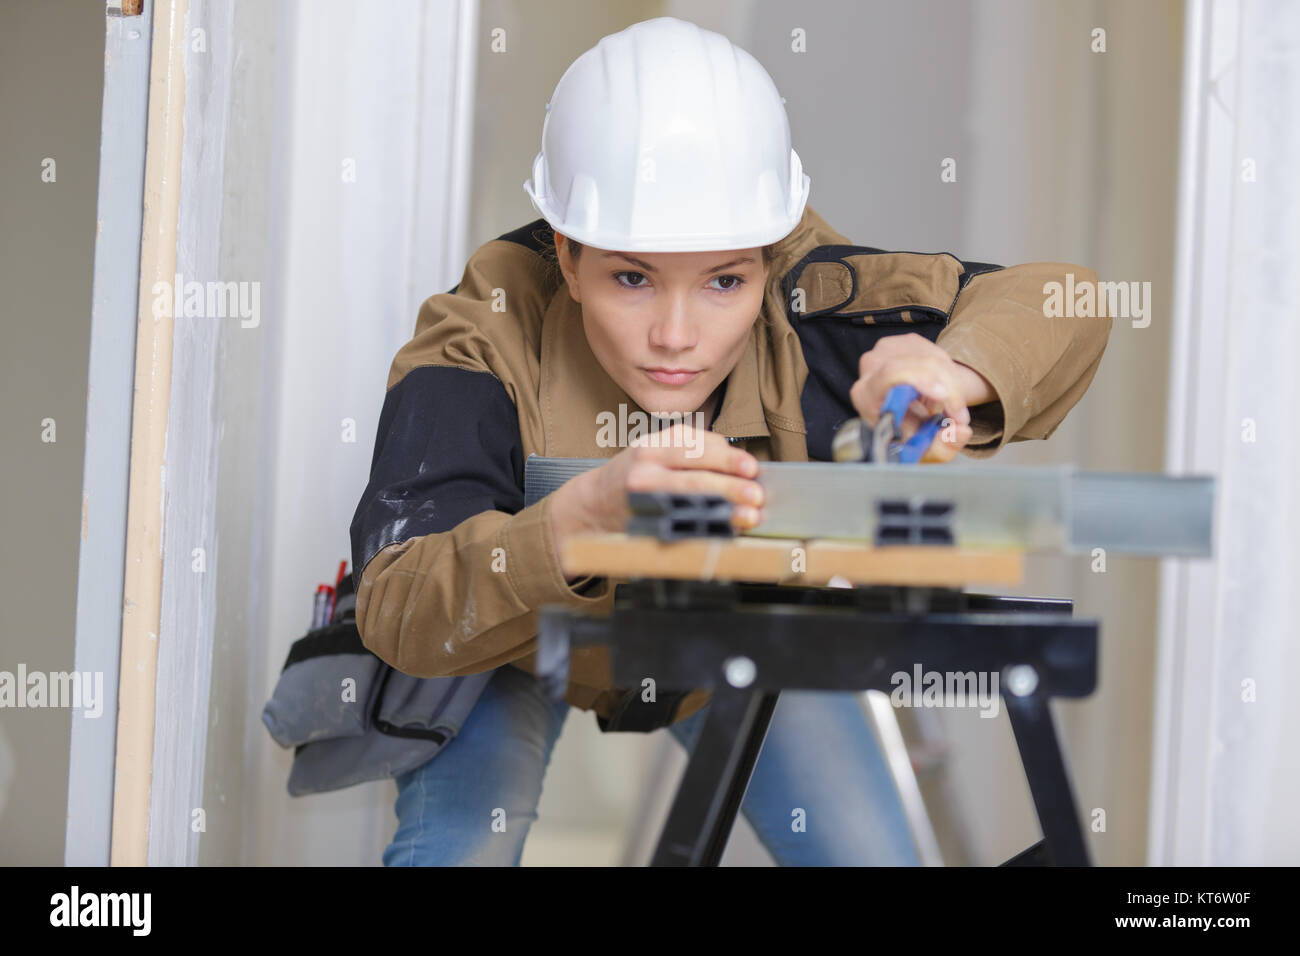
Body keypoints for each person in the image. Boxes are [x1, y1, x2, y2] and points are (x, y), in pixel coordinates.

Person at [350, 17, 1111, 866]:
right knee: (456, 855)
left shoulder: (810, 303)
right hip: (509, 645)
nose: (677, 335)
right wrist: (578, 522)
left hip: (726, 643)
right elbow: (395, 604)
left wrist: (950, 372)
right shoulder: (479, 338)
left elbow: (1062, 298)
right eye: (632, 278)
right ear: (566, 256)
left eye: (724, 281)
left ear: (769, 254)